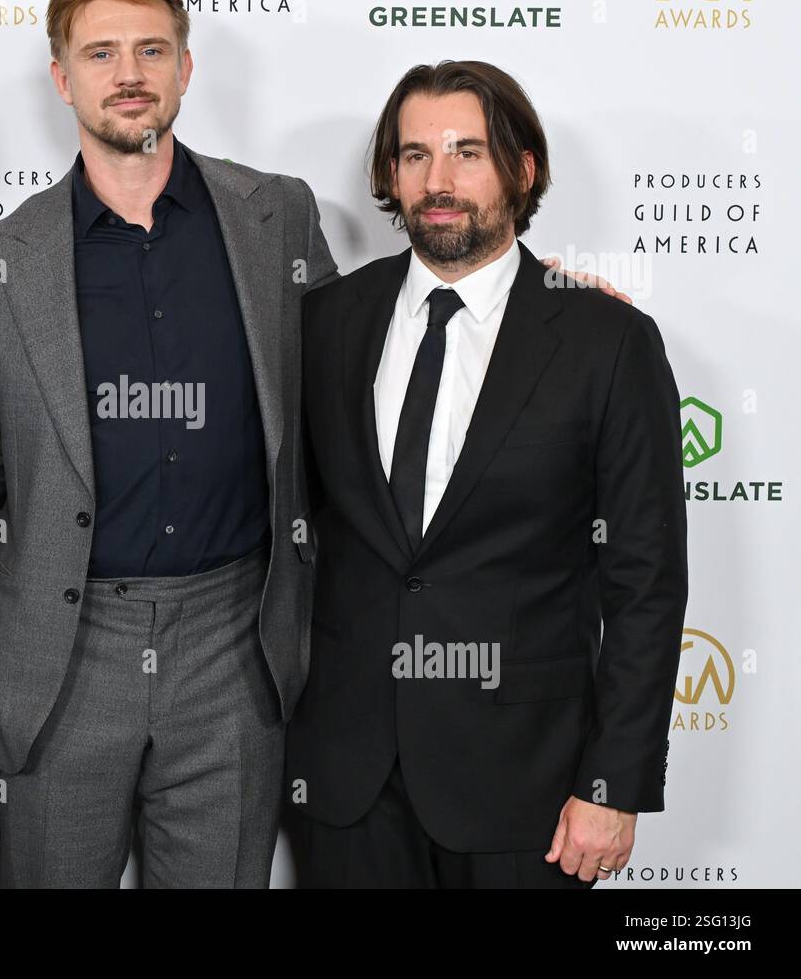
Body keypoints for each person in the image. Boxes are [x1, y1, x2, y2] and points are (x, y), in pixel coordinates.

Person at [0, 0, 337, 887]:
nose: (129, 72)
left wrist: (539, 313)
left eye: (150, 49)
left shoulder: (274, 215)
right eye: (101, 52)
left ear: (185, 67)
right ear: (62, 78)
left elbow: (351, 380)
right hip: (63, 649)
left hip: (233, 641)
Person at [286, 60, 688, 888]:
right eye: (414, 155)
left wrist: (611, 785)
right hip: (347, 783)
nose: (439, 180)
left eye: (468, 152)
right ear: (390, 176)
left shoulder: (606, 341)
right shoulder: (325, 322)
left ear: (522, 169)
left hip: (528, 791)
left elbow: (645, 581)